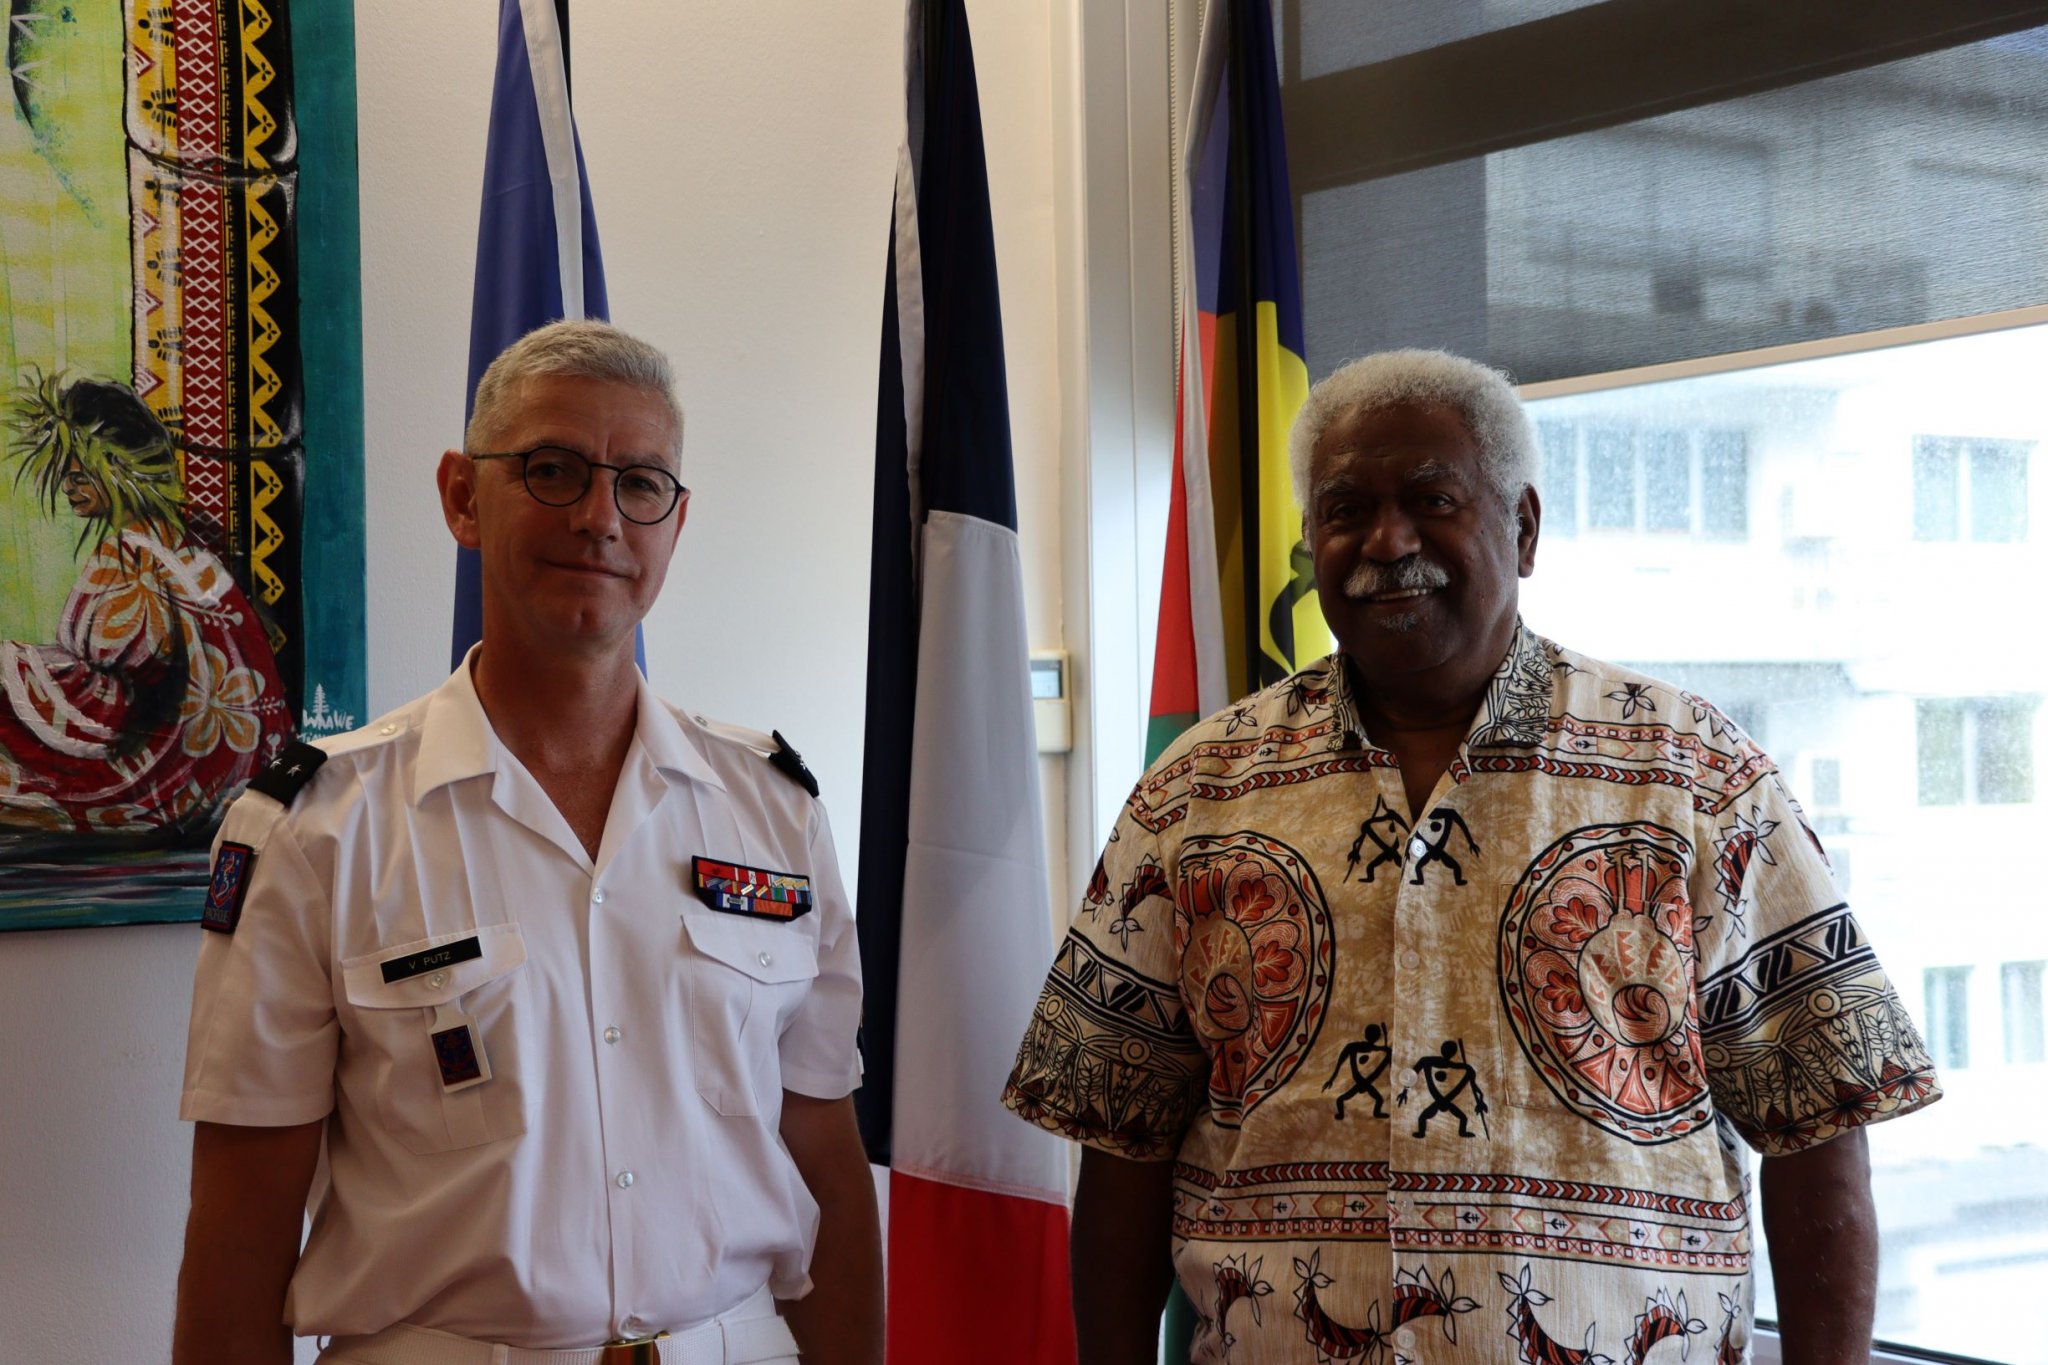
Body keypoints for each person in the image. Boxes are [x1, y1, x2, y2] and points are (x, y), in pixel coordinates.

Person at [1003, 349, 1940, 1365]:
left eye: (1431, 499)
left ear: (1522, 528)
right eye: (1343, 507)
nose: (1384, 539)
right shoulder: (1196, 792)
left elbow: (1819, 1131)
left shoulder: (1694, 780)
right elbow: (1120, 1140)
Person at [172, 321, 881, 1365]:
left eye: (639, 484)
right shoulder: (322, 826)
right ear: (463, 495)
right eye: (552, 471)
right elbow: (240, 1231)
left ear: (674, 525)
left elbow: (824, 1161)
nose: (599, 517)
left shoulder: (772, 811)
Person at [0, 372, 291, 847]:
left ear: (115, 468)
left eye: (77, 476)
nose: (70, 490)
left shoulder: (130, 556)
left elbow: (113, 685)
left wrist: (14, 670)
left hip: (173, 779)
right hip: (230, 771)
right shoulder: (185, 549)